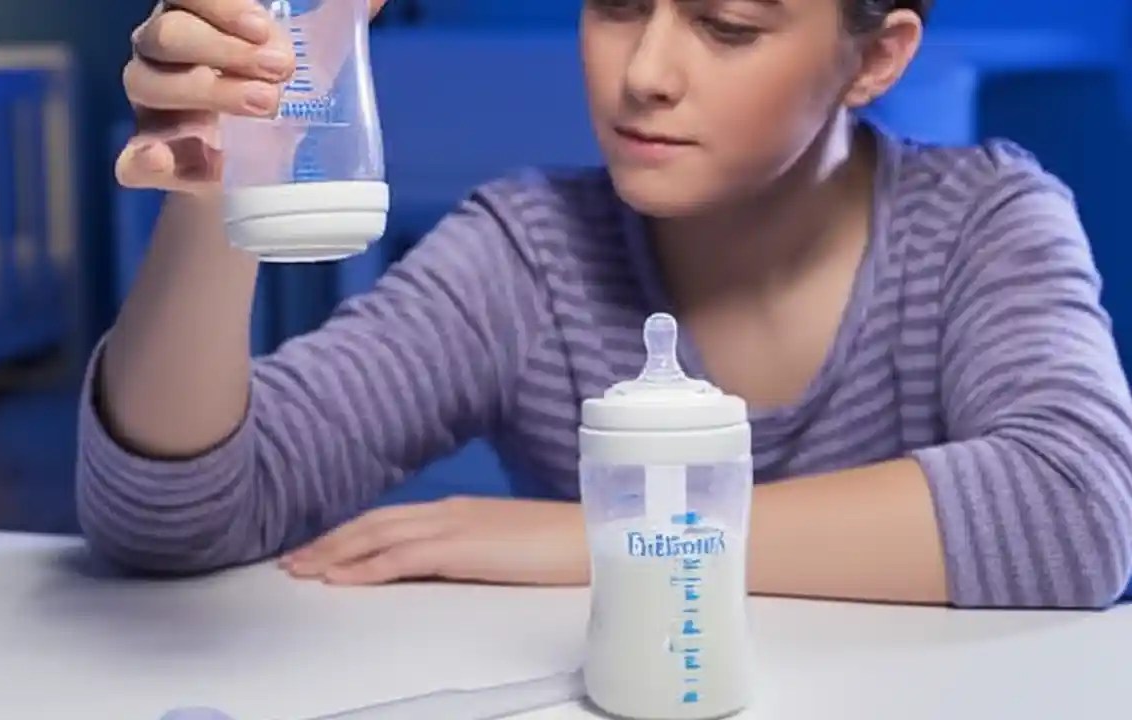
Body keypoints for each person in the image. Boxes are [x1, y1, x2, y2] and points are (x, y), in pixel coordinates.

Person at [80, 0, 1132, 609]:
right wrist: (220, 187)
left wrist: (601, 537)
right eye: (618, 2)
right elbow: (173, 519)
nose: (643, 72)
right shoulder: (528, 255)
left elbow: (1075, 515)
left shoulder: (984, 221)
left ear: (873, 58)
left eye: (725, 25)